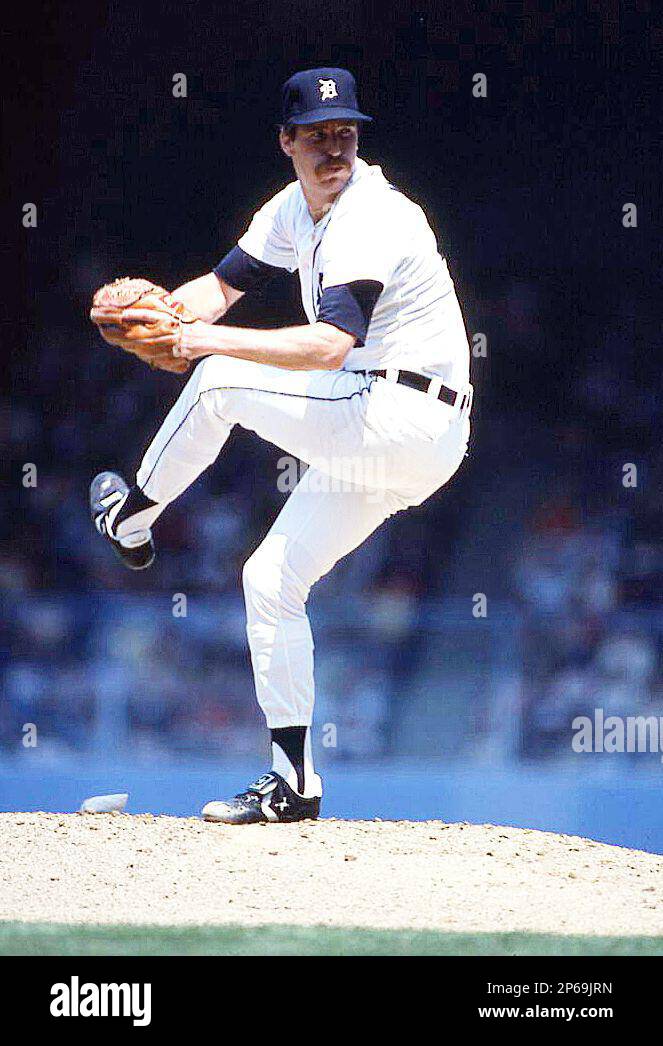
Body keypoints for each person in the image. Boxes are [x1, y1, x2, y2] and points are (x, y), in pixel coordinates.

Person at [90, 67, 473, 824]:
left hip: (398, 411)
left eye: (346, 134)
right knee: (269, 579)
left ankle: (131, 519)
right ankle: (292, 783)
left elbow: (331, 344)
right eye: (319, 137)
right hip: (390, 435)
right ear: (286, 142)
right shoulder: (294, 209)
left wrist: (197, 342)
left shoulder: (374, 215)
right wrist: (164, 314)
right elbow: (220, 288)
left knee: (218, 379)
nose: (335, 149)